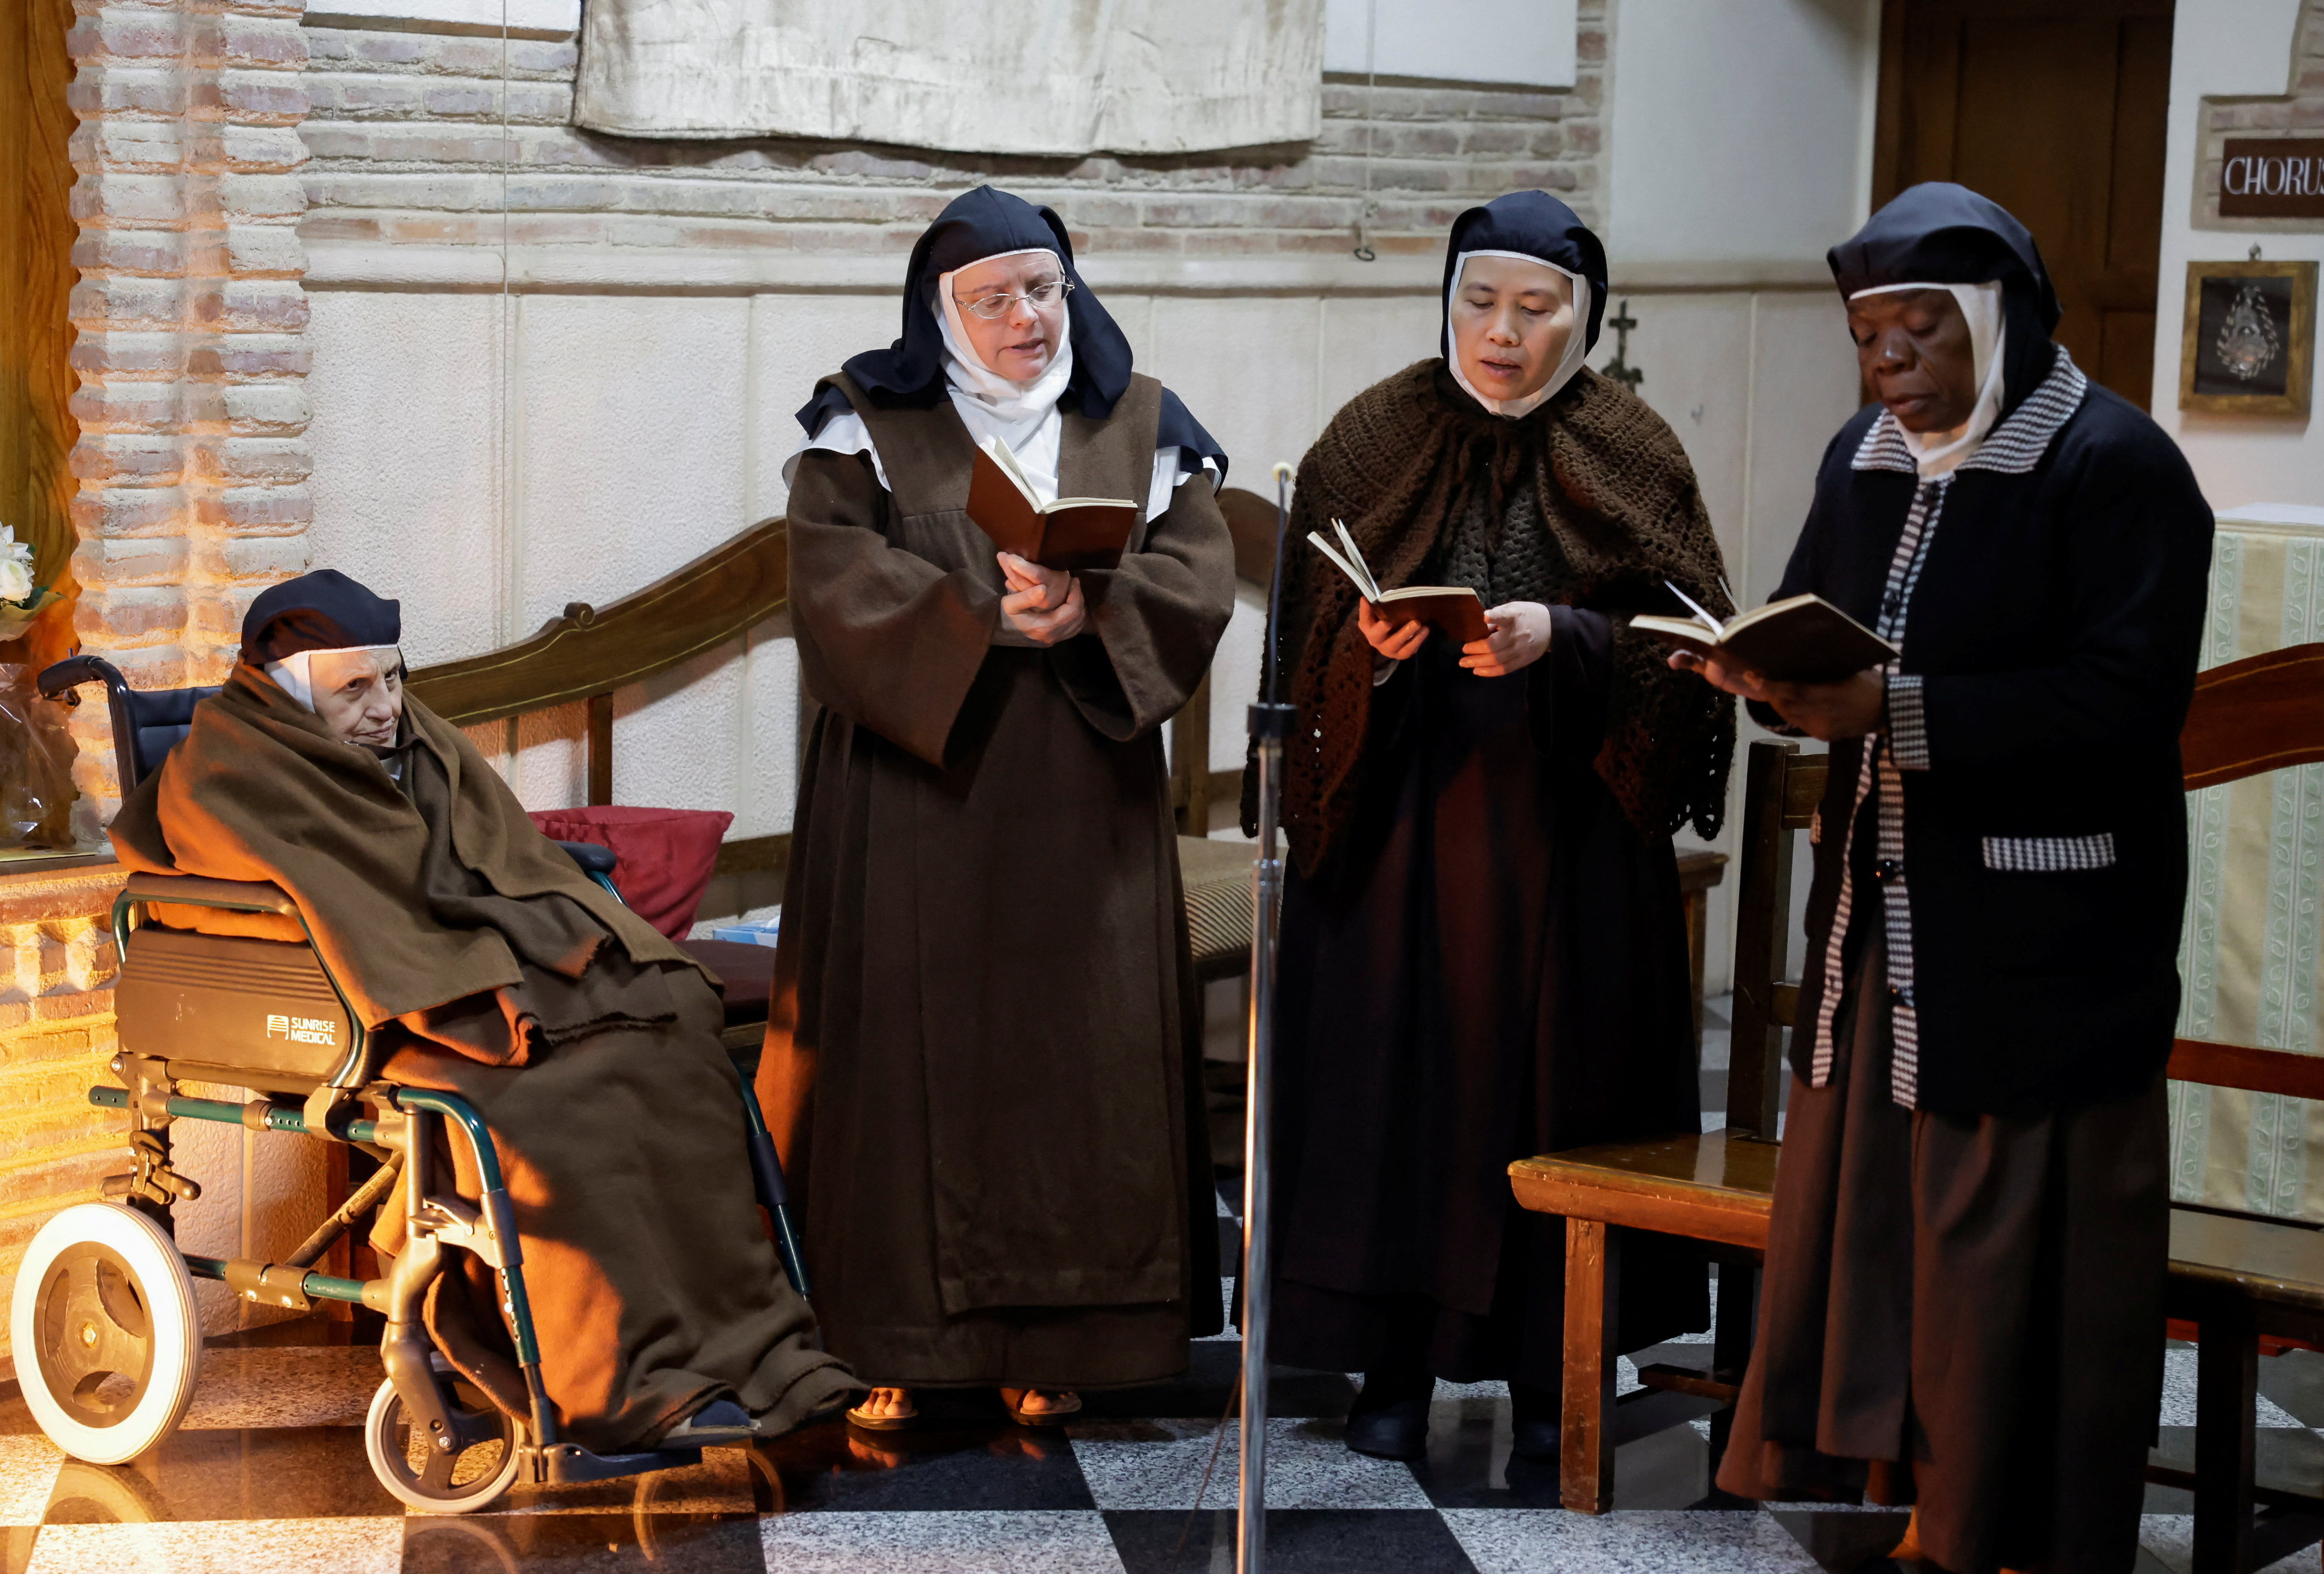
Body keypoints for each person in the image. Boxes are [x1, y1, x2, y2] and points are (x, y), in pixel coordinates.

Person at [1680, 184, 2213, 1574]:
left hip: (2039, 924)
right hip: (1883, 908)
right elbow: (1812, 616)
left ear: (2004, 320)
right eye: (1869, 337)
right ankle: (1907, 1489)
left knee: (2000, 1246)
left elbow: (2126, 700)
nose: (1890, 366)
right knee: (1882, 1224)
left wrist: (1897, 713)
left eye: (1922, 331)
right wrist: (1768, 681)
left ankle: (1992, 1525)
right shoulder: (1863, 454)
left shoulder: (2116, 465)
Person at [108, 569, 860, 1455]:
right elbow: (330, 898)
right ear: (288, 685)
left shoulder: (412, 735)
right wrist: (474, 967)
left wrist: (542, 936)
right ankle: (615, 1382)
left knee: (672, 1038)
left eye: (393, 678)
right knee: (555, 1104)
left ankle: (757, 1351)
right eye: (354, 689)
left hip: (468, 956)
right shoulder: (227, 770)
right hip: (381, 997)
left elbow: (504, 850)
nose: (386, 706)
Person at [1254, 189, 1735, 1462]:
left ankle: (1548, 1375)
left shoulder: (1633, 448)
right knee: (1390, 1093)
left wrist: (1565, 635)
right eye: (1480, 303)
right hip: (1398, 839)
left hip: (1566, 842)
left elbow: (1693, 648)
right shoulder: (1372, 435)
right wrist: (1367, 648)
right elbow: (1301, 637)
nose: (1502, 334)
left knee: (1550, 1095)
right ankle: (1391, 1373)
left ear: (1579, 315)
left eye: (1534, 310)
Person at [758, 185, 1236, 1431]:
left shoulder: (1138, 421)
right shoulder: (867, 423)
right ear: (940, 310)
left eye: (1042, 289)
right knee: (913, 1066)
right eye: (994, 298)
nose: (1025, 316)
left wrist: (1093, 613)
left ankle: (1075, 1342)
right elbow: (831, 582)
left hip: (1085, 809)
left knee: (1084, 1072)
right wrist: (978, 615)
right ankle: (900, 1341)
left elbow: (1195, 572)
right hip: (923, 802)